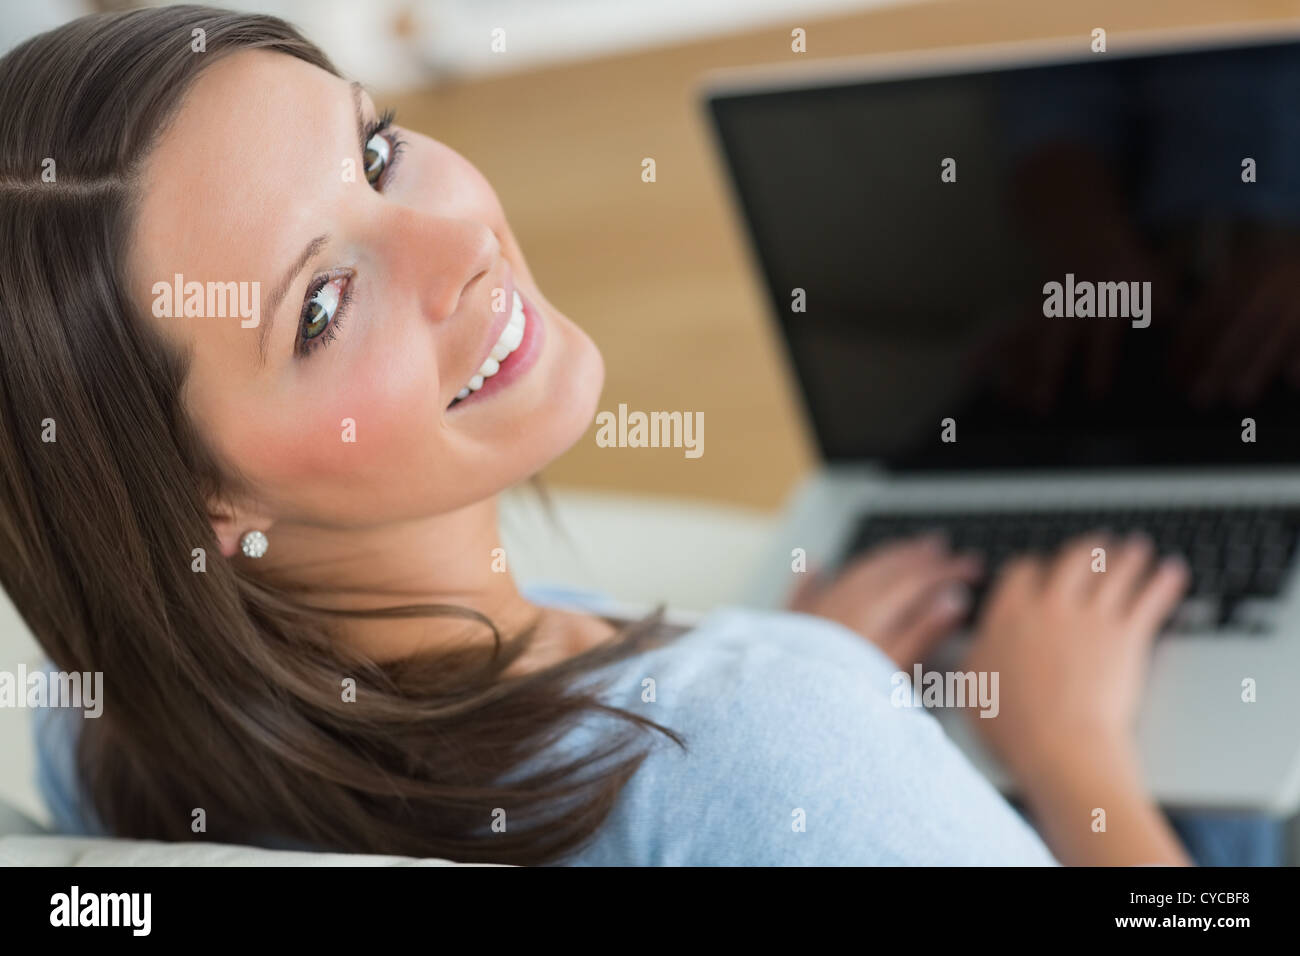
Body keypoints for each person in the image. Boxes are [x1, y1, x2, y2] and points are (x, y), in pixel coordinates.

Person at [0, 5, 1273, 866]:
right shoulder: (780, 738)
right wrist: (1072, 756)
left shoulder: (97, 742)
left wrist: (801, 669)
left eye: (376, 151)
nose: (462, 245)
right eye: (321, 307)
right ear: (200, 513)